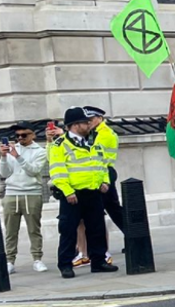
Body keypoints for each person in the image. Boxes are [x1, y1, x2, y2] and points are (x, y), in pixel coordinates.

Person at [48, 107, 116, 279]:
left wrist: (105, 182)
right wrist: (68, 191)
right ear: (75, 125)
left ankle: (98, 261)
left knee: (97, 228)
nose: (88, 125)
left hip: (93, 192)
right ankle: (65, 265)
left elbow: (102, 164)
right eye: (85, 122)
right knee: (68, 230)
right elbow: (57, 171)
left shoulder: (93, 142)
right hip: (72, 195)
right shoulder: (59, 145)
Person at [1, 121, 49, 273]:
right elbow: (4, 173)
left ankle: (37, 259)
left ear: (33, 135)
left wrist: (18, 157)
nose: (20, 138)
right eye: (17, 135)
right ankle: (10, 261)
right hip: (11, 193)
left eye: (24, 135)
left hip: (32, 193)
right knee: (10, 231)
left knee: (34, 229)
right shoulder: (11, 149)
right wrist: (3, 157)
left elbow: (34, 170)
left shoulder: (39, 151)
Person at [82, 106, 123, 262]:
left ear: (99, 118)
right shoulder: (94, 133)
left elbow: (93, 153)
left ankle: (132, 234)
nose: (88, 123)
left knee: (112, 208)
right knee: (112, 208)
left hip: (105, 172)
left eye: (91, 120)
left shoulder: (104, 134)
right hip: (100, 172)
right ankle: (130, 234)